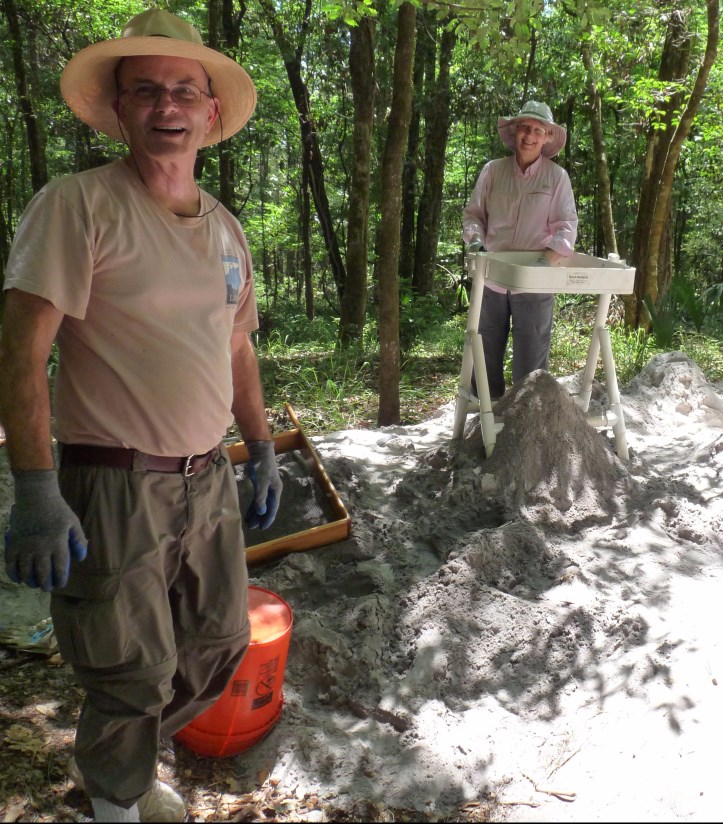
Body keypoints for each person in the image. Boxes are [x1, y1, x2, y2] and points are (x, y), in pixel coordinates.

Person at [0, 9, 282, 823]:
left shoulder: (226, 228)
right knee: (126, 671)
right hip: (113, 480)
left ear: (211, 112)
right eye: (145, 90)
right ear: (119, 110)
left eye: (184, 90)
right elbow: (21, 350)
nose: (167, 105)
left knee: (218, 644)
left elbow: (237, 351)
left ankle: (122, 766)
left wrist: (259, 447)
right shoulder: (77, 205)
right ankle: (118, 805)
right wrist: (35, 491)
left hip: (208, 478)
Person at [462, 101, 578, 400]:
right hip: (492, 277)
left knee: (531, 358)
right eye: (525, 127)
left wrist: (545, 262)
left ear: (547, 137)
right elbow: (474, 214)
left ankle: (525, 419)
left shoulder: (556, 177)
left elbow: (566, 226)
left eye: (538, 130)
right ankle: (483, 418)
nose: (530, 135)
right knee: (484, 349)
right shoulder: (493, 171)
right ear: (514, 132)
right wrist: (475, 241)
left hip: (536, 279)